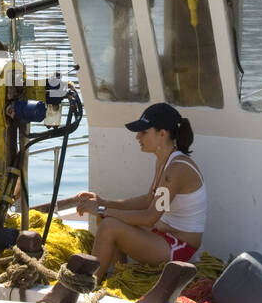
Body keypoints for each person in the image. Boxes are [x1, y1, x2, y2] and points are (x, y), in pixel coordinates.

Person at [72, 103, 205, 279]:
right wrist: (103, 203)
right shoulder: (165, 161)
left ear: (162, 134)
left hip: (180, 248)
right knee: (106, 218)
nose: (137, 137)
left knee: (109, 226)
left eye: (144, 132)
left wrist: (102, 209)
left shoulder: (176, 170)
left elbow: (150, 218)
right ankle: (119, 278)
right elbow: (149, 199)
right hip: (165, 236)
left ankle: (87, 285)